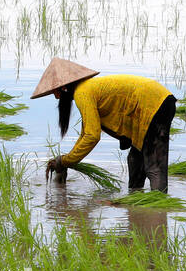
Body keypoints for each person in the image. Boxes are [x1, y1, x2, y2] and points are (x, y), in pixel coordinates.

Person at [32, 58, 177, 193]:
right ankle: (135, 204)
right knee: (135, 160)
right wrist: (65, 161)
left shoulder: (83, 93)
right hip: (154, 101)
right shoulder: (87, 89)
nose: (56, 97)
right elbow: (85, 133)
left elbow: (92, 136)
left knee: (154, 166)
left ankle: (159, 211)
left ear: (64, 88)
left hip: (154, 104)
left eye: (55, 92)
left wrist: (65, 161)